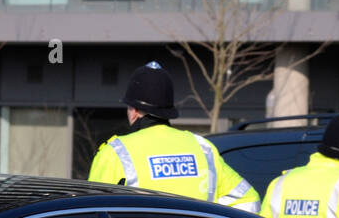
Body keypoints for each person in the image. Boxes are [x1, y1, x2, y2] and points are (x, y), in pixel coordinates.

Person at [87, 61, 258, 209]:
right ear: (167, 111)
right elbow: (248, 199)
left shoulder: (115, 152)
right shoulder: (202, 148)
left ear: (135, 111)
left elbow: (90, 213)